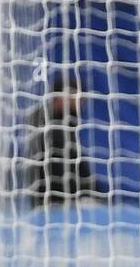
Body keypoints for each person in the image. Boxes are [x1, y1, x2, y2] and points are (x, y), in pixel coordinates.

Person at [23, 73, 103, 206]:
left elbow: (75, 160)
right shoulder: (43, 121)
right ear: (60, 97)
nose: (80, 103)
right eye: (75, 98)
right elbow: (60, 160)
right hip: (49, 192)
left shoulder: (67, 119)